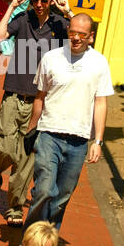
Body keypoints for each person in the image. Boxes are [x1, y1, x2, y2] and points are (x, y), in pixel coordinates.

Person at [0, 0, 70, 226]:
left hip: (40, 101)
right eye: (36, 0)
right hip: (13, 95)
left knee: (27, 156)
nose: (39, 6)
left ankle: (14, 206)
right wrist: (12, 5)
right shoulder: (23, 18)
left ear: (52, 1)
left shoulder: (59, 25)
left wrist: (69, 13)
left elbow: (81, 43)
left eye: (44, 1)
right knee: (5, 148)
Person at [24, 15, 114, 234]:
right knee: (44, 189)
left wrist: (98, 141)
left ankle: (48, 240)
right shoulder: (51, 58)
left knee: (62, 197)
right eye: (72, 32)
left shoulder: (99, 63)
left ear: (90, 37)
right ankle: (31, 238)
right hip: (49, 134)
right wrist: (31, 129)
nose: (75, 38)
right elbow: (40, 96)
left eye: (81, 35)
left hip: (79, 140)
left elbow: (100, 103)